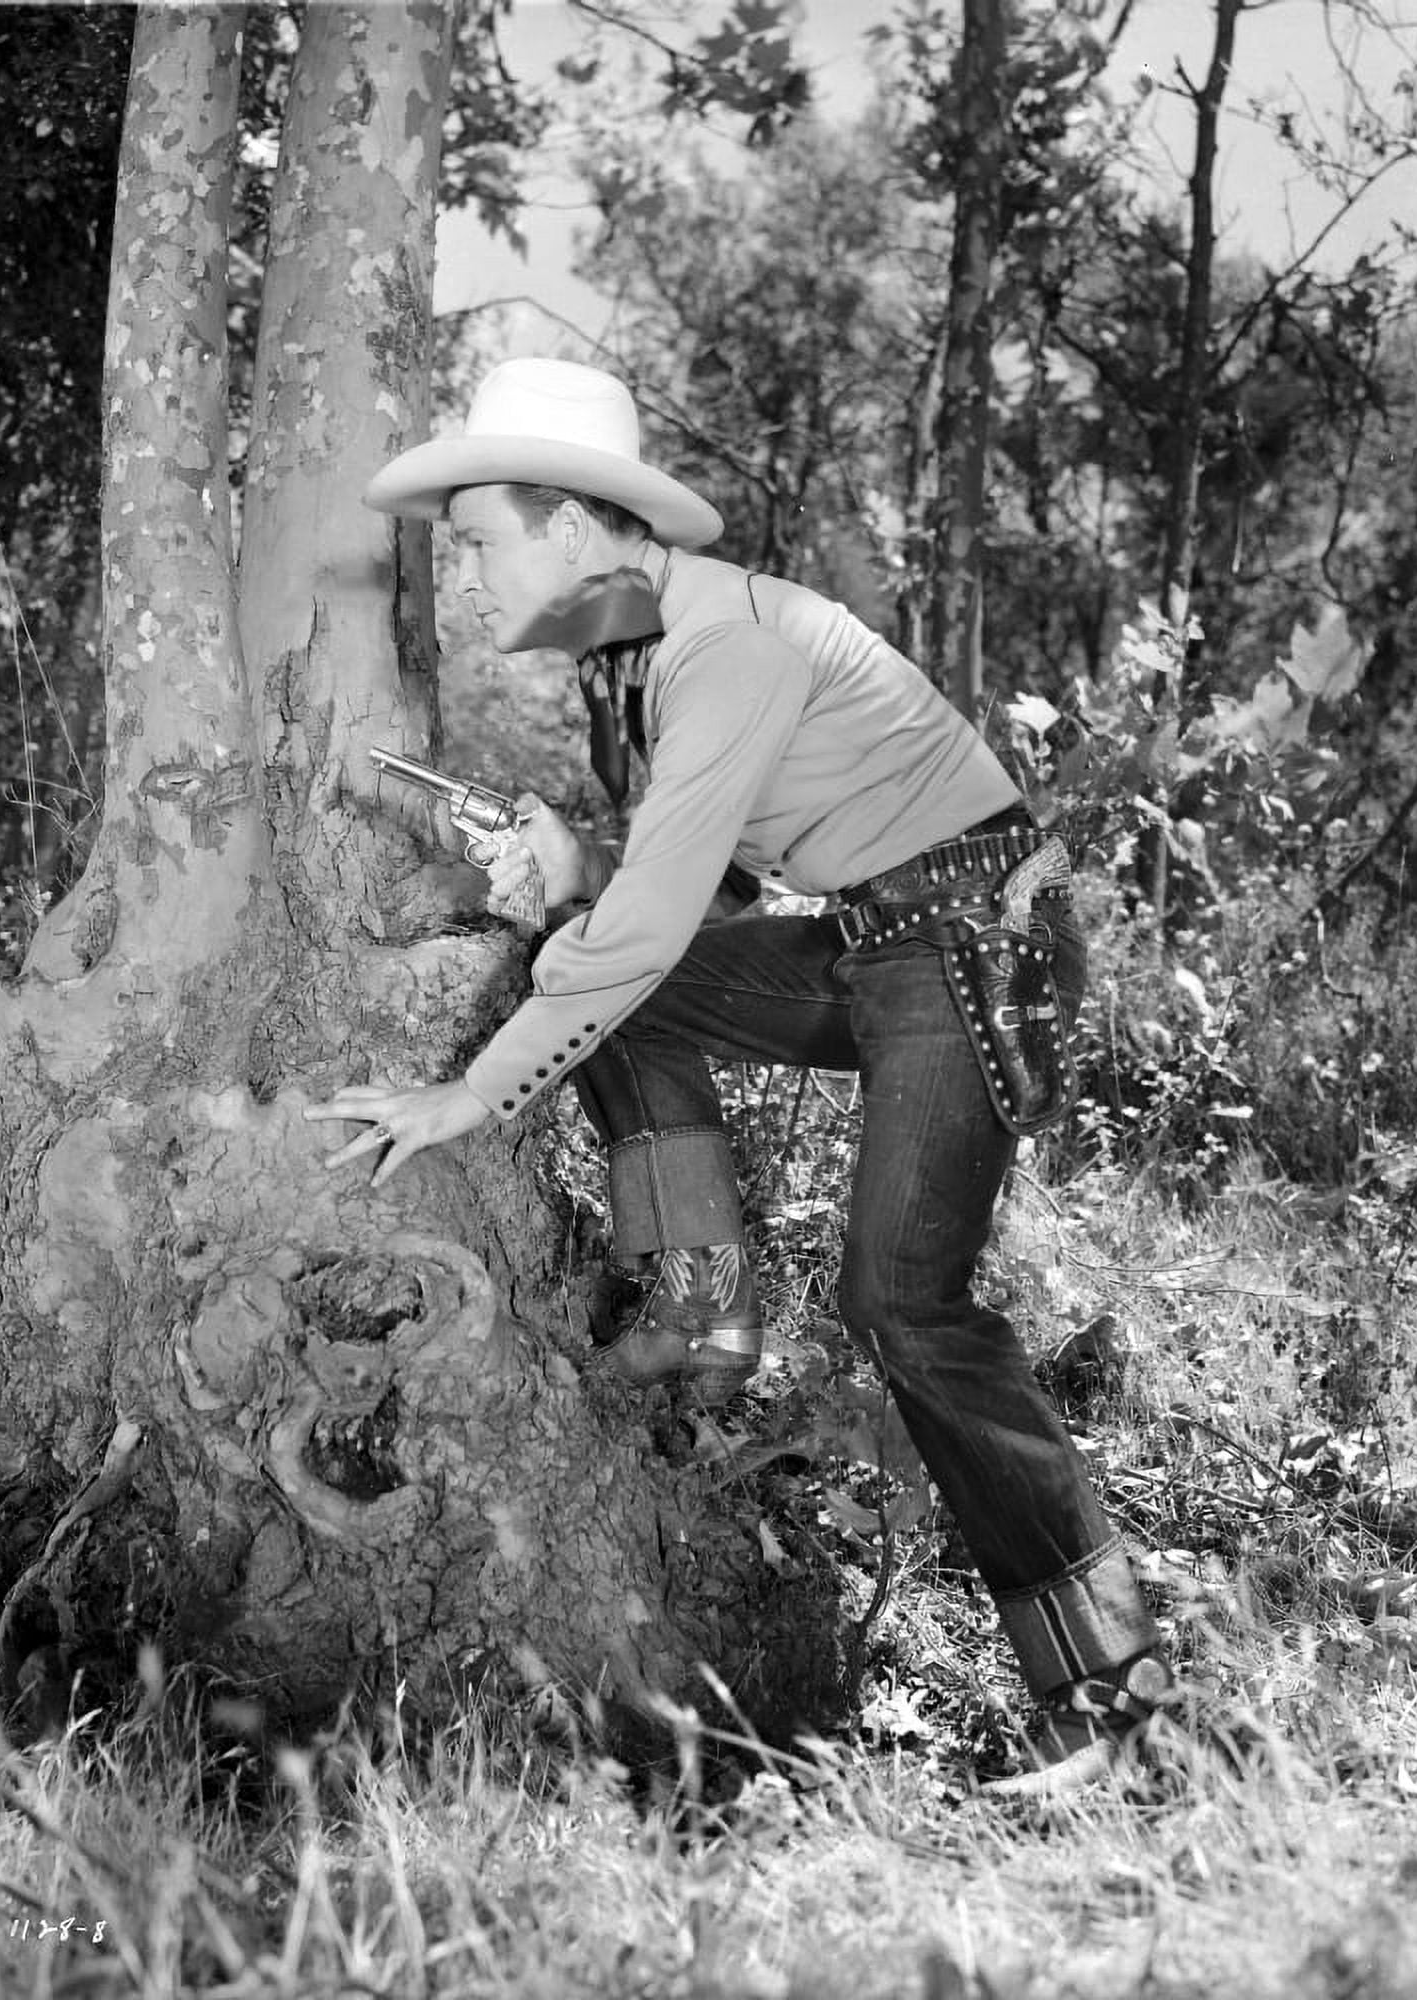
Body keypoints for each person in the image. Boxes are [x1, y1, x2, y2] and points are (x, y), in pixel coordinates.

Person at [307, 356, 1172, 1795]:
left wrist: (469, 1098)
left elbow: (648, 932)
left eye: (479, 541)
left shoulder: (725, 647)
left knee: (906, 1301)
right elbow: (681, 897)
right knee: (607, 982)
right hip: (880, 936)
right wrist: (584, 874)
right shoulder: (647, 658)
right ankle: (703, 1299)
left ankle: (1119, 1695)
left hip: (974, 945)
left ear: (576, 529)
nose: (462, 582)